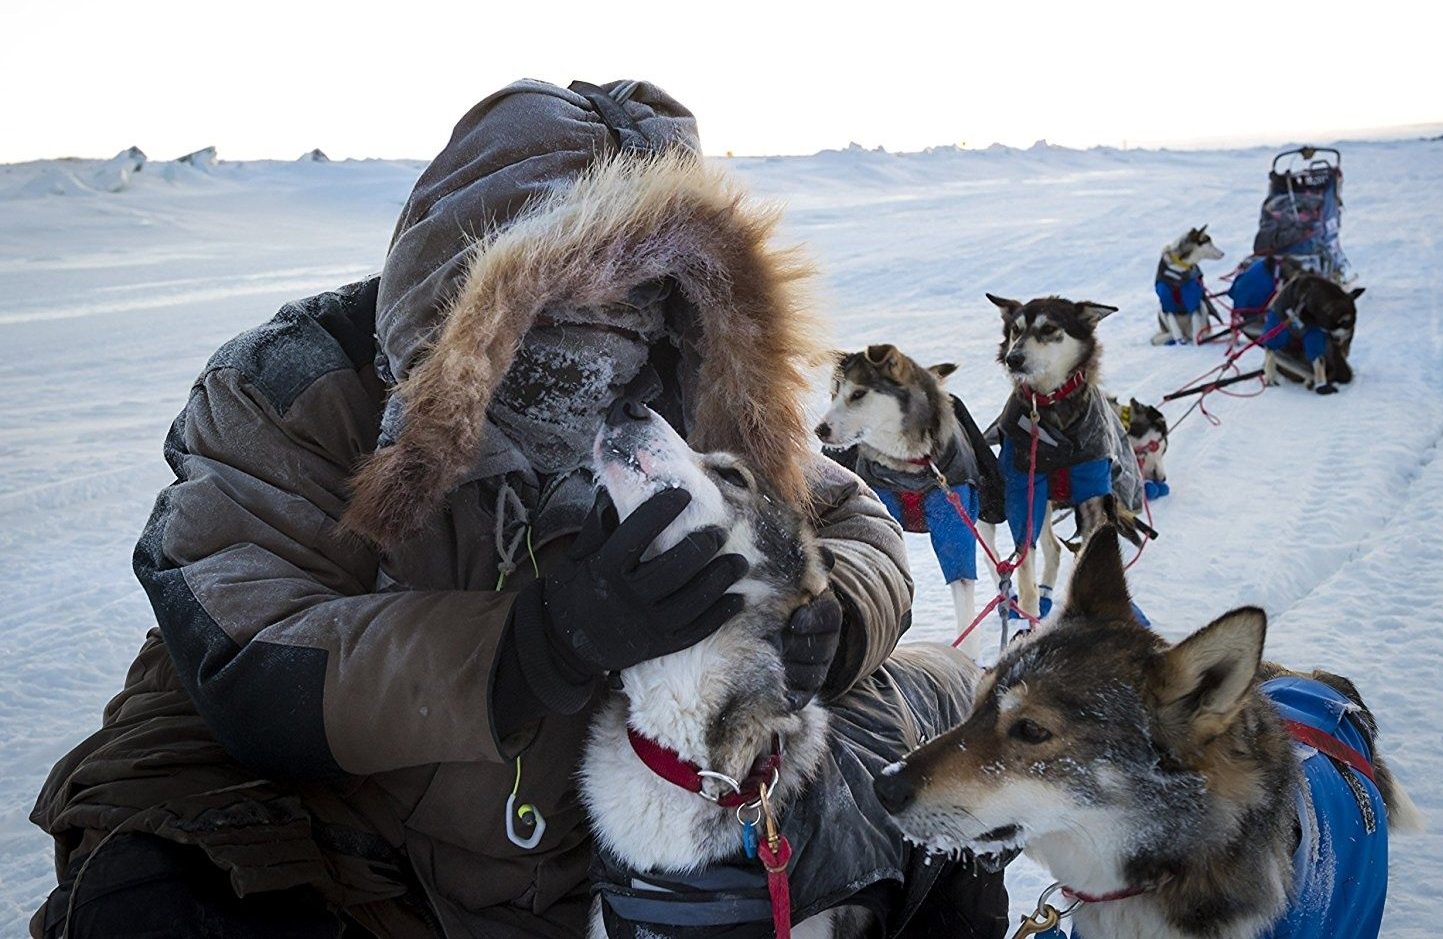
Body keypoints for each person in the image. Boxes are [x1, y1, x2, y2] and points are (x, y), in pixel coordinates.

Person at [30, 79, 1005, 938]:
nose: (602, 349)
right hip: (340, 835)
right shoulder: (297, 390)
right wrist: (534, 641)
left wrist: (833, 617)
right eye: (560, 303)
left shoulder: (687, 393)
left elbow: (853, 525)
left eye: (639, 303)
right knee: (166, 893)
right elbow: (248, 651)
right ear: (469, 284)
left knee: (906, 769)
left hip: (580, 846)